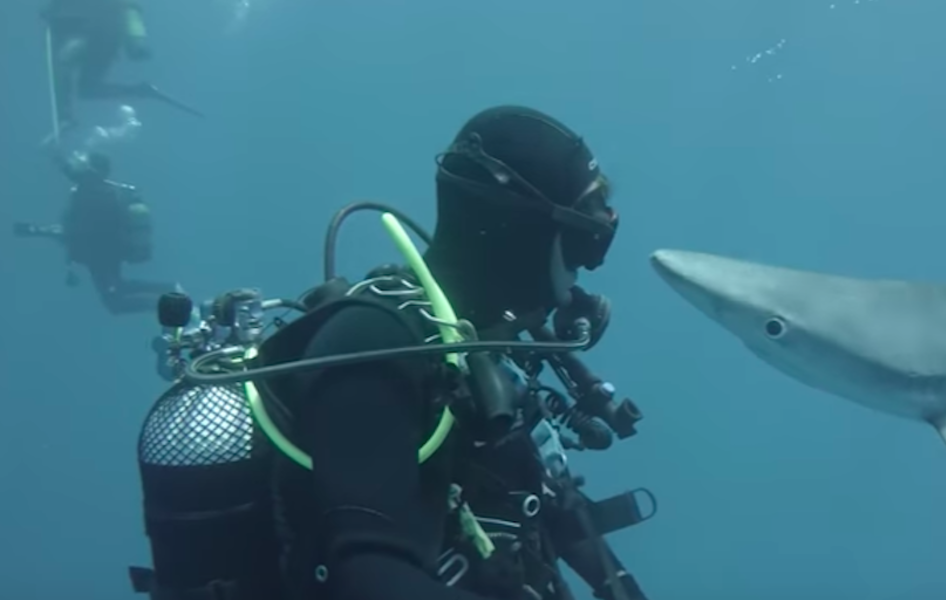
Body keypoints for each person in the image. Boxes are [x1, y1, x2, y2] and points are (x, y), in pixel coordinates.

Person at [130, 106, 653, 600]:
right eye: (586, 242)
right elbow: (369, 576)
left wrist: (621, 586)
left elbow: (551, 500)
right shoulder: (373, 349)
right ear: (518, 234)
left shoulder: (479, 348)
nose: (590, 269)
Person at [12, 150, 177, 315]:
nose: (77, 161)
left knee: (116, 302)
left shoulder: (94, 194)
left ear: (90, 170)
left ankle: (175, 304)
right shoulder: (91, 190)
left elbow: (83, 231)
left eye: (82, 161)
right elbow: (78, 224)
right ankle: (170, 291)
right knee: (118, 290)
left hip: (102, 255)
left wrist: (44, 232)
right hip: (100, 254)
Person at [41, 0, 202, 132]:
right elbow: (130, 10)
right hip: (108, 41)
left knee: (65, 59)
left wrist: (52, 12)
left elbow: (126, 9)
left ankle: (65, 117)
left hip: (90, 32)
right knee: (88, 90)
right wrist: (135, 43)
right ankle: (139, 90)